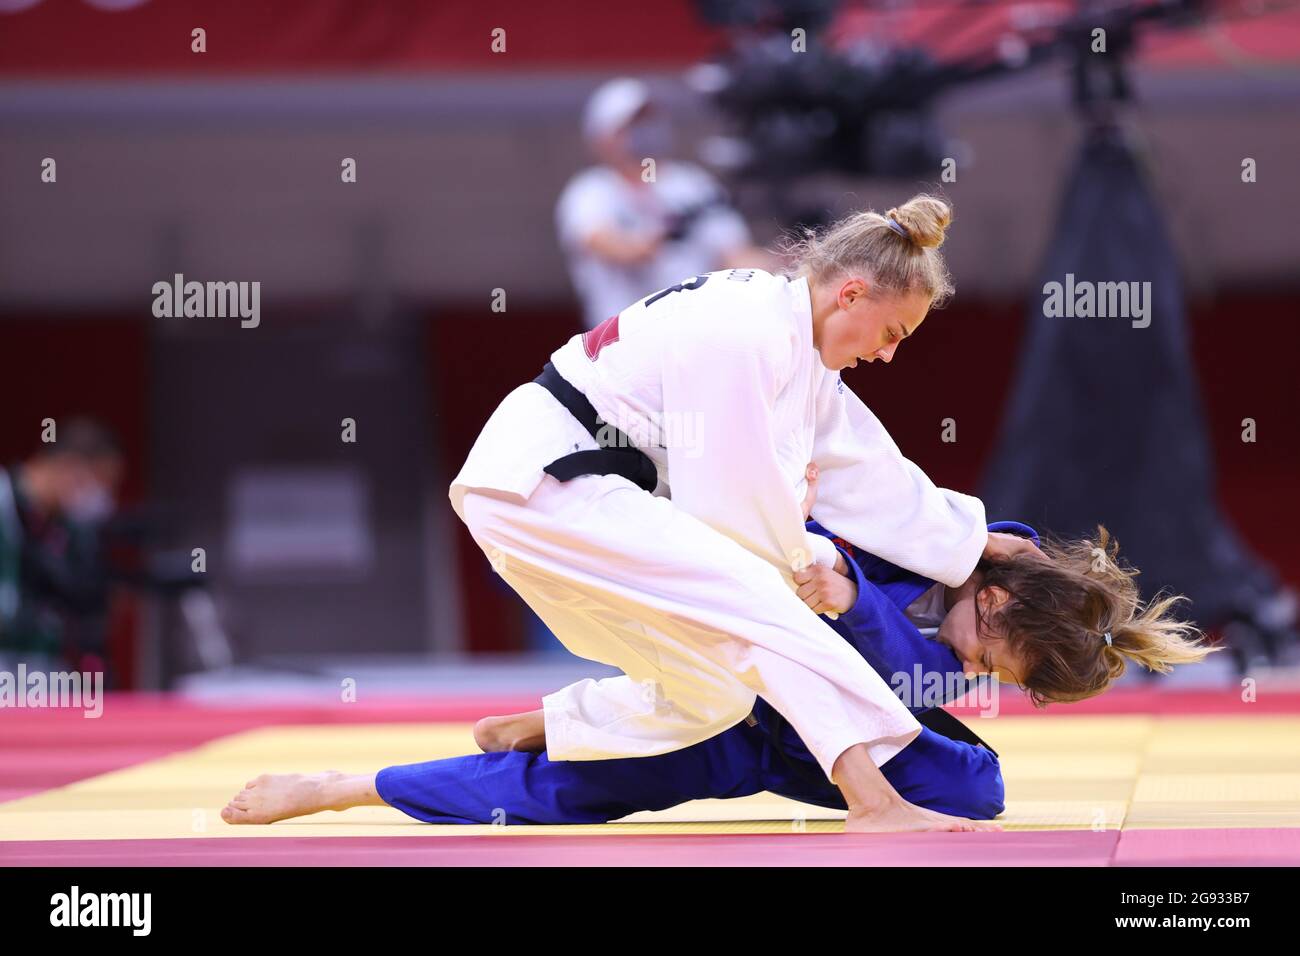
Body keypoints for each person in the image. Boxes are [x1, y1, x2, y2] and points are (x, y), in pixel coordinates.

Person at [442, 192, 1051, 833]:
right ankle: (874, 802)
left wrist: (973, 542)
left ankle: (548, 726)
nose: (888, 354)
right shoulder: (748, 332)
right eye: (892, 332)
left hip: (575, 492)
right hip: (547, 481)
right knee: (765, 604)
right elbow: (731, 514)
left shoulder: (792, 341)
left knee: (720, 694)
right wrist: (814, 560)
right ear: (851, 294)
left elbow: (865, 468)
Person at [219, 516, 1216, 826]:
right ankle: (347, 785)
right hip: (731, 713)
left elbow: (990, 557)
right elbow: (880, 530)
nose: (981, 675)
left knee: (982, 785)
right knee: (565, 798)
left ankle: (571, 716)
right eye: (995, 658)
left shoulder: (966, 601)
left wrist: (856, 593)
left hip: (826, 727)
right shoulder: (945, 551)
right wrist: (839, 573)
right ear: (991, 601)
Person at [556, 76, 775, 330]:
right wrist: (665, 231)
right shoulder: (590, 191)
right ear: (603, 137)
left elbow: (733, 253)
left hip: (692, 333)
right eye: (632, 124)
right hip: (623, 340)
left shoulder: (691, 183)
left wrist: (782, 266)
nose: (645, 130)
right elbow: (612, 246)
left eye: (649, 120)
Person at [0, 418, 123, 672]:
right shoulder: (4, 503)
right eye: (101, 483)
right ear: (71, 467)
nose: (103, 499)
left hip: (39, 679)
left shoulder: (64, 529)